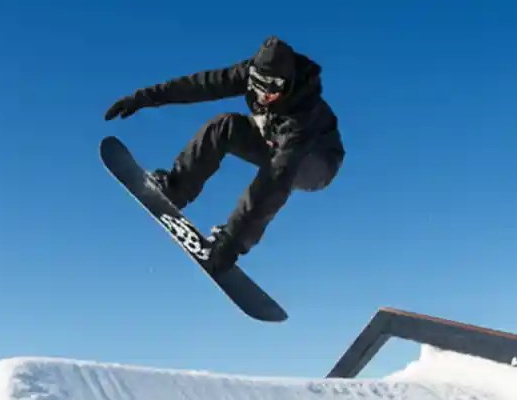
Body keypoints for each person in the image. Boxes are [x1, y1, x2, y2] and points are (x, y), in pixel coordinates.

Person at [104, 36, 345, 273]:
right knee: (224, 126)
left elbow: (276, 181)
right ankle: (176, 189)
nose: (264, 95)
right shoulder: (247, 75)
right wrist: (143, 98)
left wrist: (232, 243)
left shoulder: (302, 114)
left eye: (273, 88)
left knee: (274, 172)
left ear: (287, 83)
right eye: (259, 85)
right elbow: (200, 85)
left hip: (316, 161)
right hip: (273, 140)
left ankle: (232, 235)